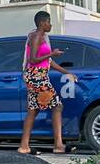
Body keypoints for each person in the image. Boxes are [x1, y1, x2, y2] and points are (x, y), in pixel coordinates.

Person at [18, 10, 76, 154]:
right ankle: (58, 145)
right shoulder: (36, 36)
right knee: (57, 106)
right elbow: (33, 60)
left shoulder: (42, 36)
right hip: (36, 76)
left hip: (37, 76)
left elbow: (48, 61)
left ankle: (24, 146)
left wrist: (66, 72)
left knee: (33, 110)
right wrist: (52, 53)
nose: (50, 25)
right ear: (42, 23)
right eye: (49, 22)